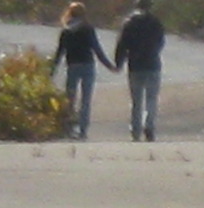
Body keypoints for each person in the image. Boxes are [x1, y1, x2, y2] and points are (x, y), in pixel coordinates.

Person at [52, 2, 116, 140]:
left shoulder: (66, 30)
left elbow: (60, 52)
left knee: (70, 98)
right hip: (87, 65)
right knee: (86, 99)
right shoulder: (88, 29)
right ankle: (83, 130)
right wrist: (109, 65)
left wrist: (52, 69)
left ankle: (69, 128)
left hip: (72, 66)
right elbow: (97, 49)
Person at [114, 0, 165, 142]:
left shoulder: (129, 23)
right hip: (153, 65)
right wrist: (153, 52)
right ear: (150, 7)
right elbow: (161, 42)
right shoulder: (155, 22)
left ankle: (135, 130)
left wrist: (119, 62)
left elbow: (122, 45)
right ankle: (149, 126)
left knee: (136, 101)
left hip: (135, 66)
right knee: (152, 99)